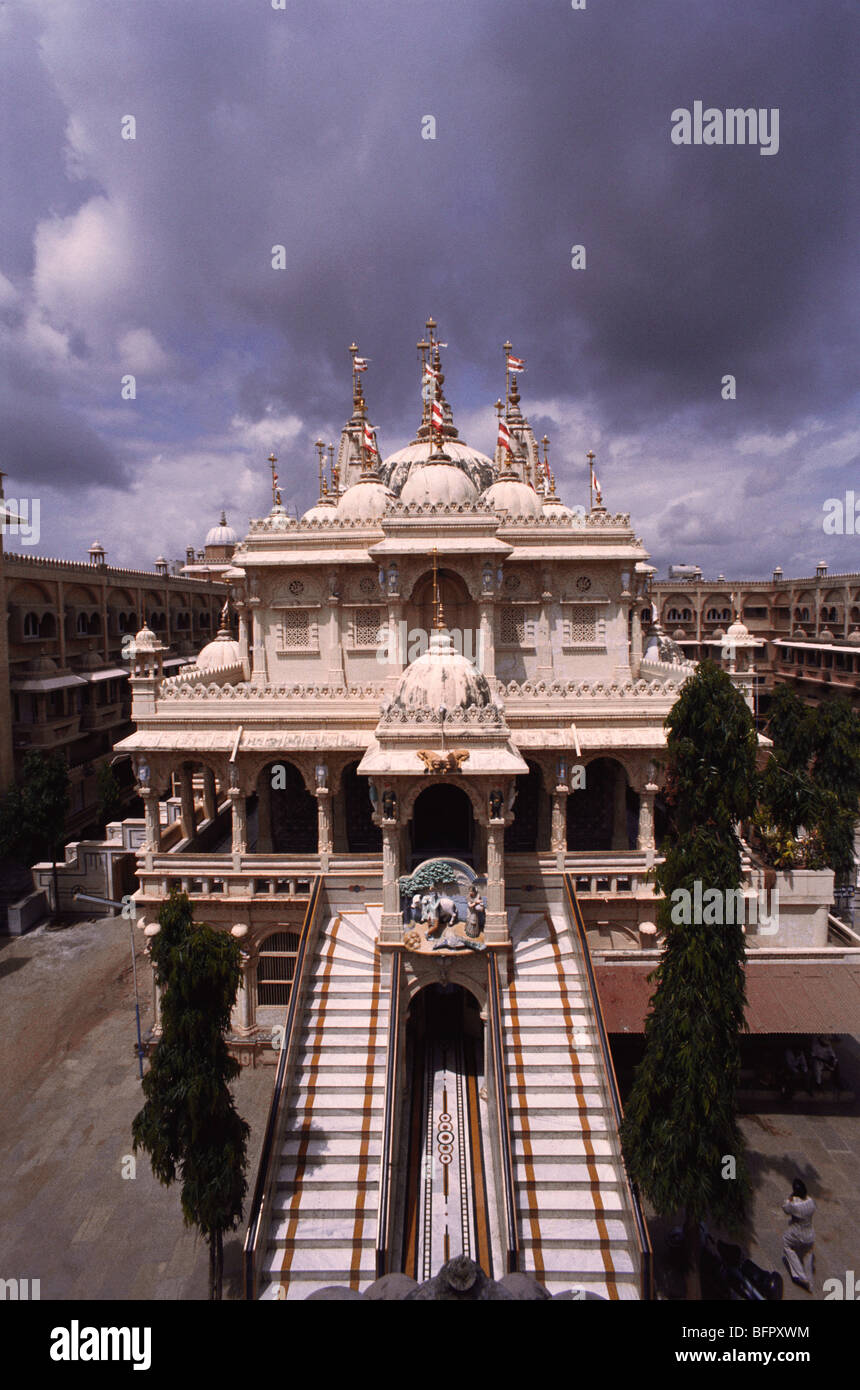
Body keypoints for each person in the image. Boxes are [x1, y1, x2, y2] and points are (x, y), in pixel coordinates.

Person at [781, 1178, 815, 1290]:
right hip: (810, 1233)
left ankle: (800, 1276)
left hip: (797, 1233)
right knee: (808, 1253)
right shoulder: (811, 1202)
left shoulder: (795, 1206)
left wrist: (790, 1198)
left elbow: (785, 1208)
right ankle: (809, 1280)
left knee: (787, 1245)